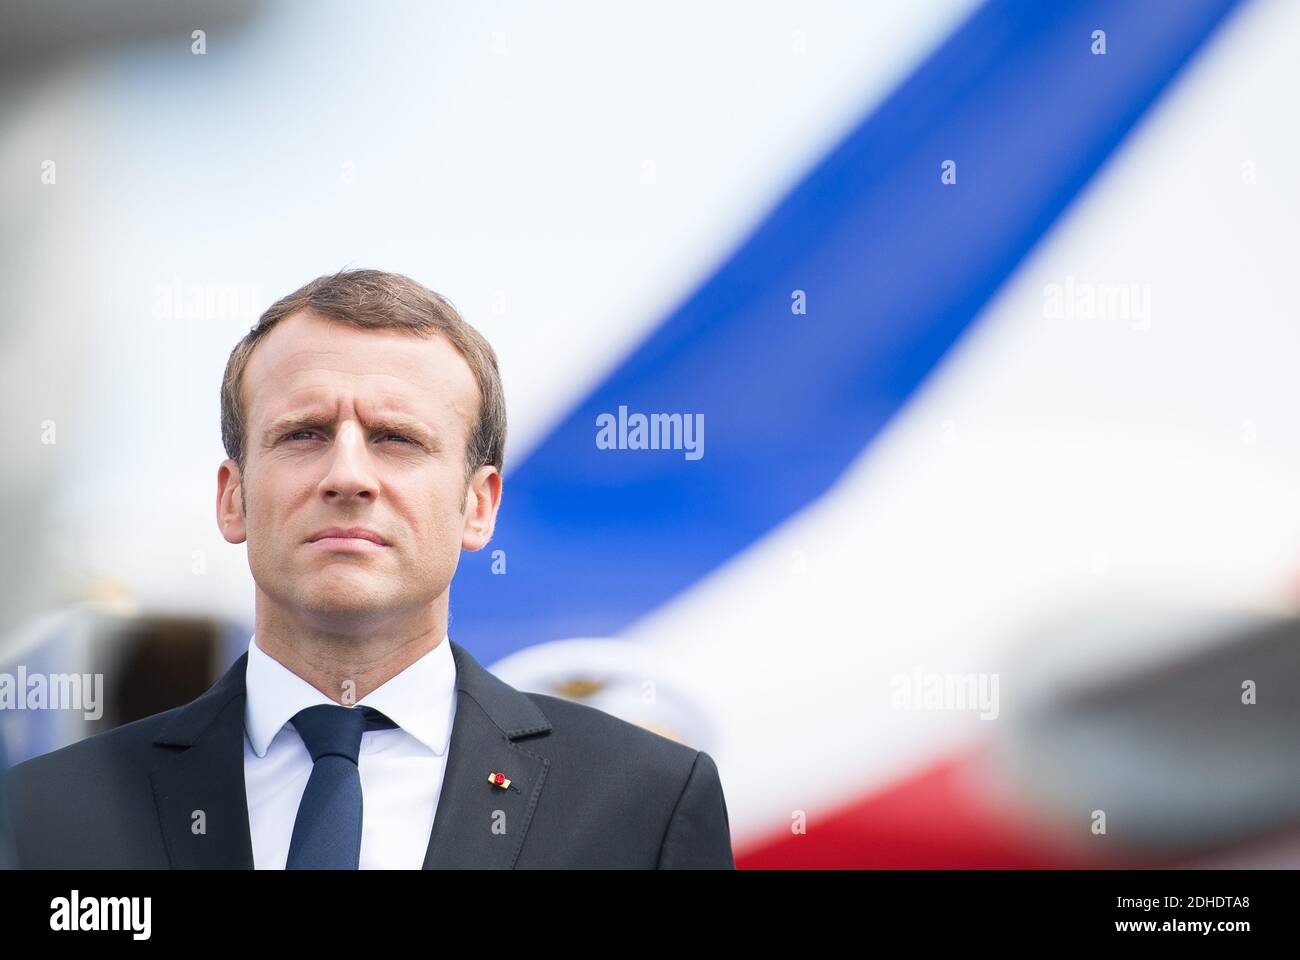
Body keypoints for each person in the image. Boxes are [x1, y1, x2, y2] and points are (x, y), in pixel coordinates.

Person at [2, 269, 734, 869]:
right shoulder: (46, 817)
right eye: (303, 434)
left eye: (395, 439)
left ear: (478, 506)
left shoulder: (646, 804)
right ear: (232, 500)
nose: (347, 474)